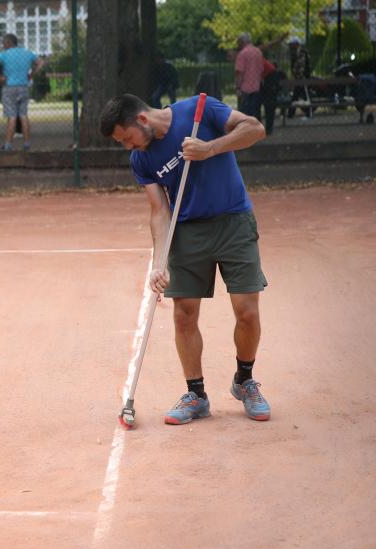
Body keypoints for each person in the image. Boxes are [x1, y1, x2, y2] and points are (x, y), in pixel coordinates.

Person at [99, 93, 271, 425]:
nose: (128, 148)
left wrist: (210, 148)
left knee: (247, 312)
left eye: (127, 139)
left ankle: (244, 380)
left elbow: (255, 129)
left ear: (143, 120)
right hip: (188, 231)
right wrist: (159, 262)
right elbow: (159, 210)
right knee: (184, 316)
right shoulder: (142, 160)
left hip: (234, 221)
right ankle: (196, 394)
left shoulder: (199, 110)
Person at [0, 33, 45, 151]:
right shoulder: (27, 53)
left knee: (12, 116)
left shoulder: (4, 55)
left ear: (9, 43)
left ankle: (8, 144)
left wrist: (0, 78)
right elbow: (41, 63)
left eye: (4, 43)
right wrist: (32, 74)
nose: (3, 45)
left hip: (9, 87)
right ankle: (26, 143)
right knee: (23, 115)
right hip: (23, 86)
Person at [234, 33, 264, 120]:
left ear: (242, 42)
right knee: (256, 112)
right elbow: (261, 70)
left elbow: (239, 73)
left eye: (238, 42)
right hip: (257, 87)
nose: (237, 44)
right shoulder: (258, 52)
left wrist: (237, 87)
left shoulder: (242, 54)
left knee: (245, 114)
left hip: (245, 89)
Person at [287, 36, 313, 119]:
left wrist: (299, 76)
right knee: (296, 96)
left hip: (302, 78)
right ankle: (290, 115)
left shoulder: (302, 52)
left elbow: (301, 66)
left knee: (305, 96)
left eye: (292, 44)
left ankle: (309, 114)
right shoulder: (297, 52)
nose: (291, 46)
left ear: (296, 44)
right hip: (299, 78)